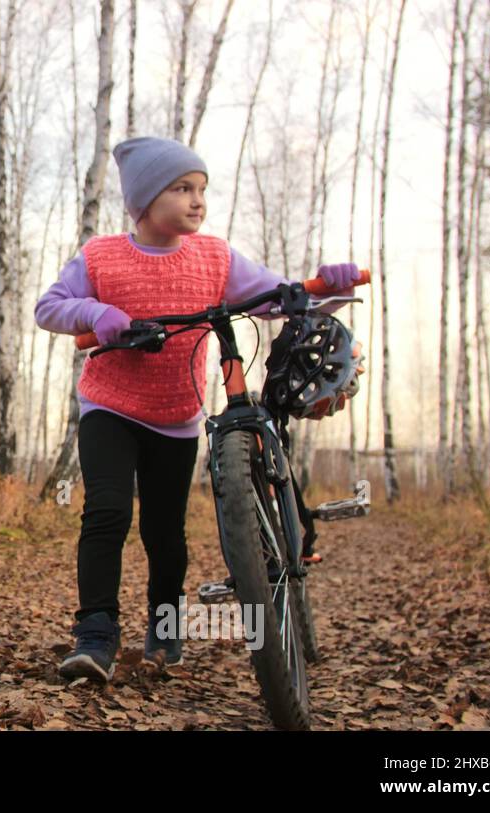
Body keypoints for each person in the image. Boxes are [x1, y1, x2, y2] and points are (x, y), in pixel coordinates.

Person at [34, 135, 360, 684]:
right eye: (182, 188)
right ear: (145, 200)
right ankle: (95, 635)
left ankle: (165, 628)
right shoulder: (101, 256)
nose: (197, 200)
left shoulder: (214, 256)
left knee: (165, 532)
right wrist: (95, 311)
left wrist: (327, 287)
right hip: (109, 407)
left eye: (201, 189)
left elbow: (275, 296)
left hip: (176, 416)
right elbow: (49, 307)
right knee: (107, 512)